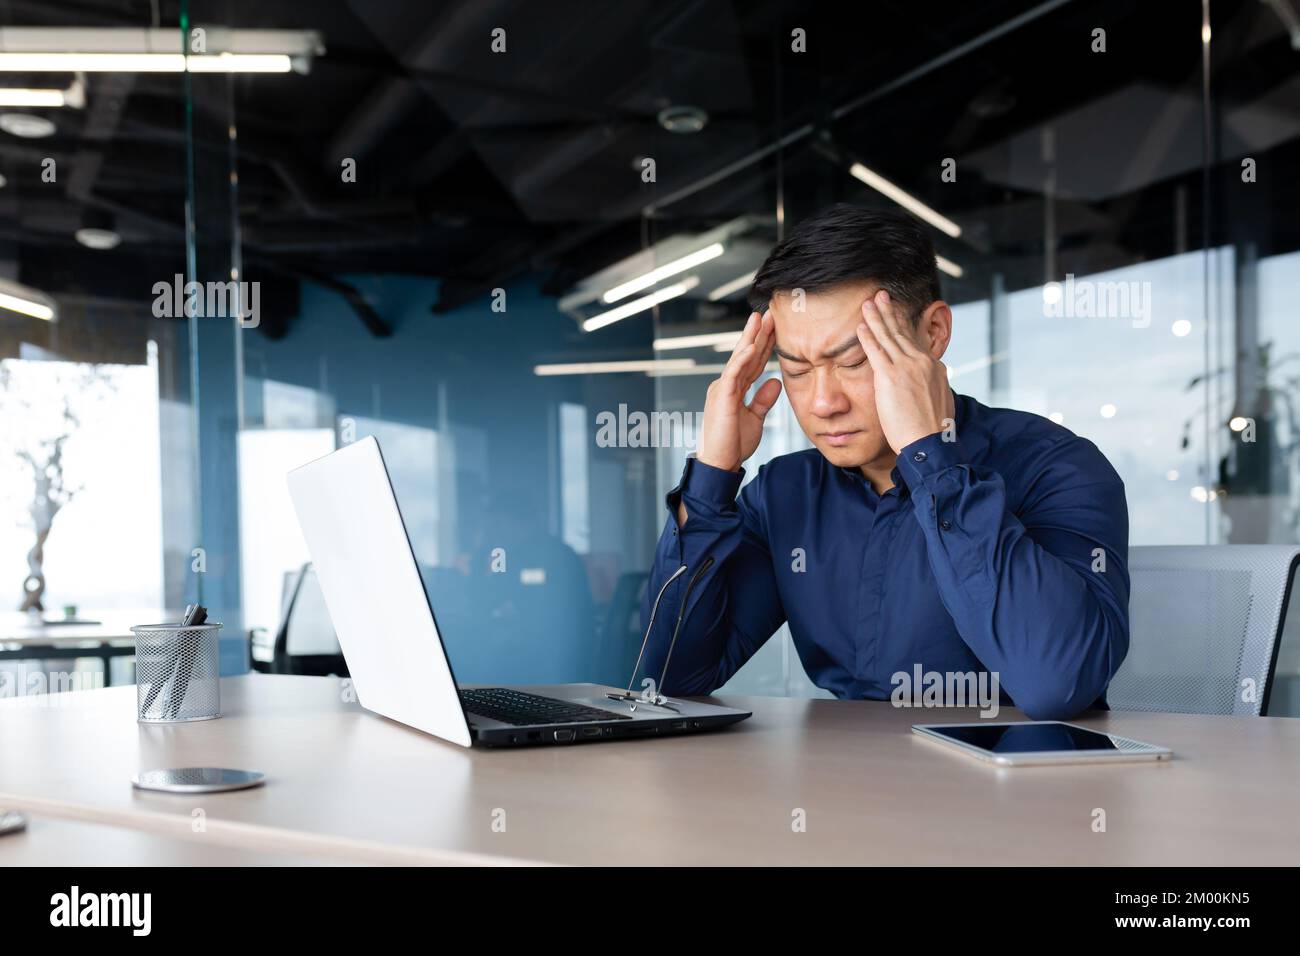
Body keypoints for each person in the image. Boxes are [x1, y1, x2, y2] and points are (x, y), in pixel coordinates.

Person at [639, 204, 1129, 721]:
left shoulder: (1055, 466)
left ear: (934, 332)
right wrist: (712, 476)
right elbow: (670, 679)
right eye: (798, 369)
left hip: (1018, 790)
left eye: (855, 362)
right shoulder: (786, 494)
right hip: (846, 786)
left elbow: (1058, 684)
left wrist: (931, 457)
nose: (824, 402)